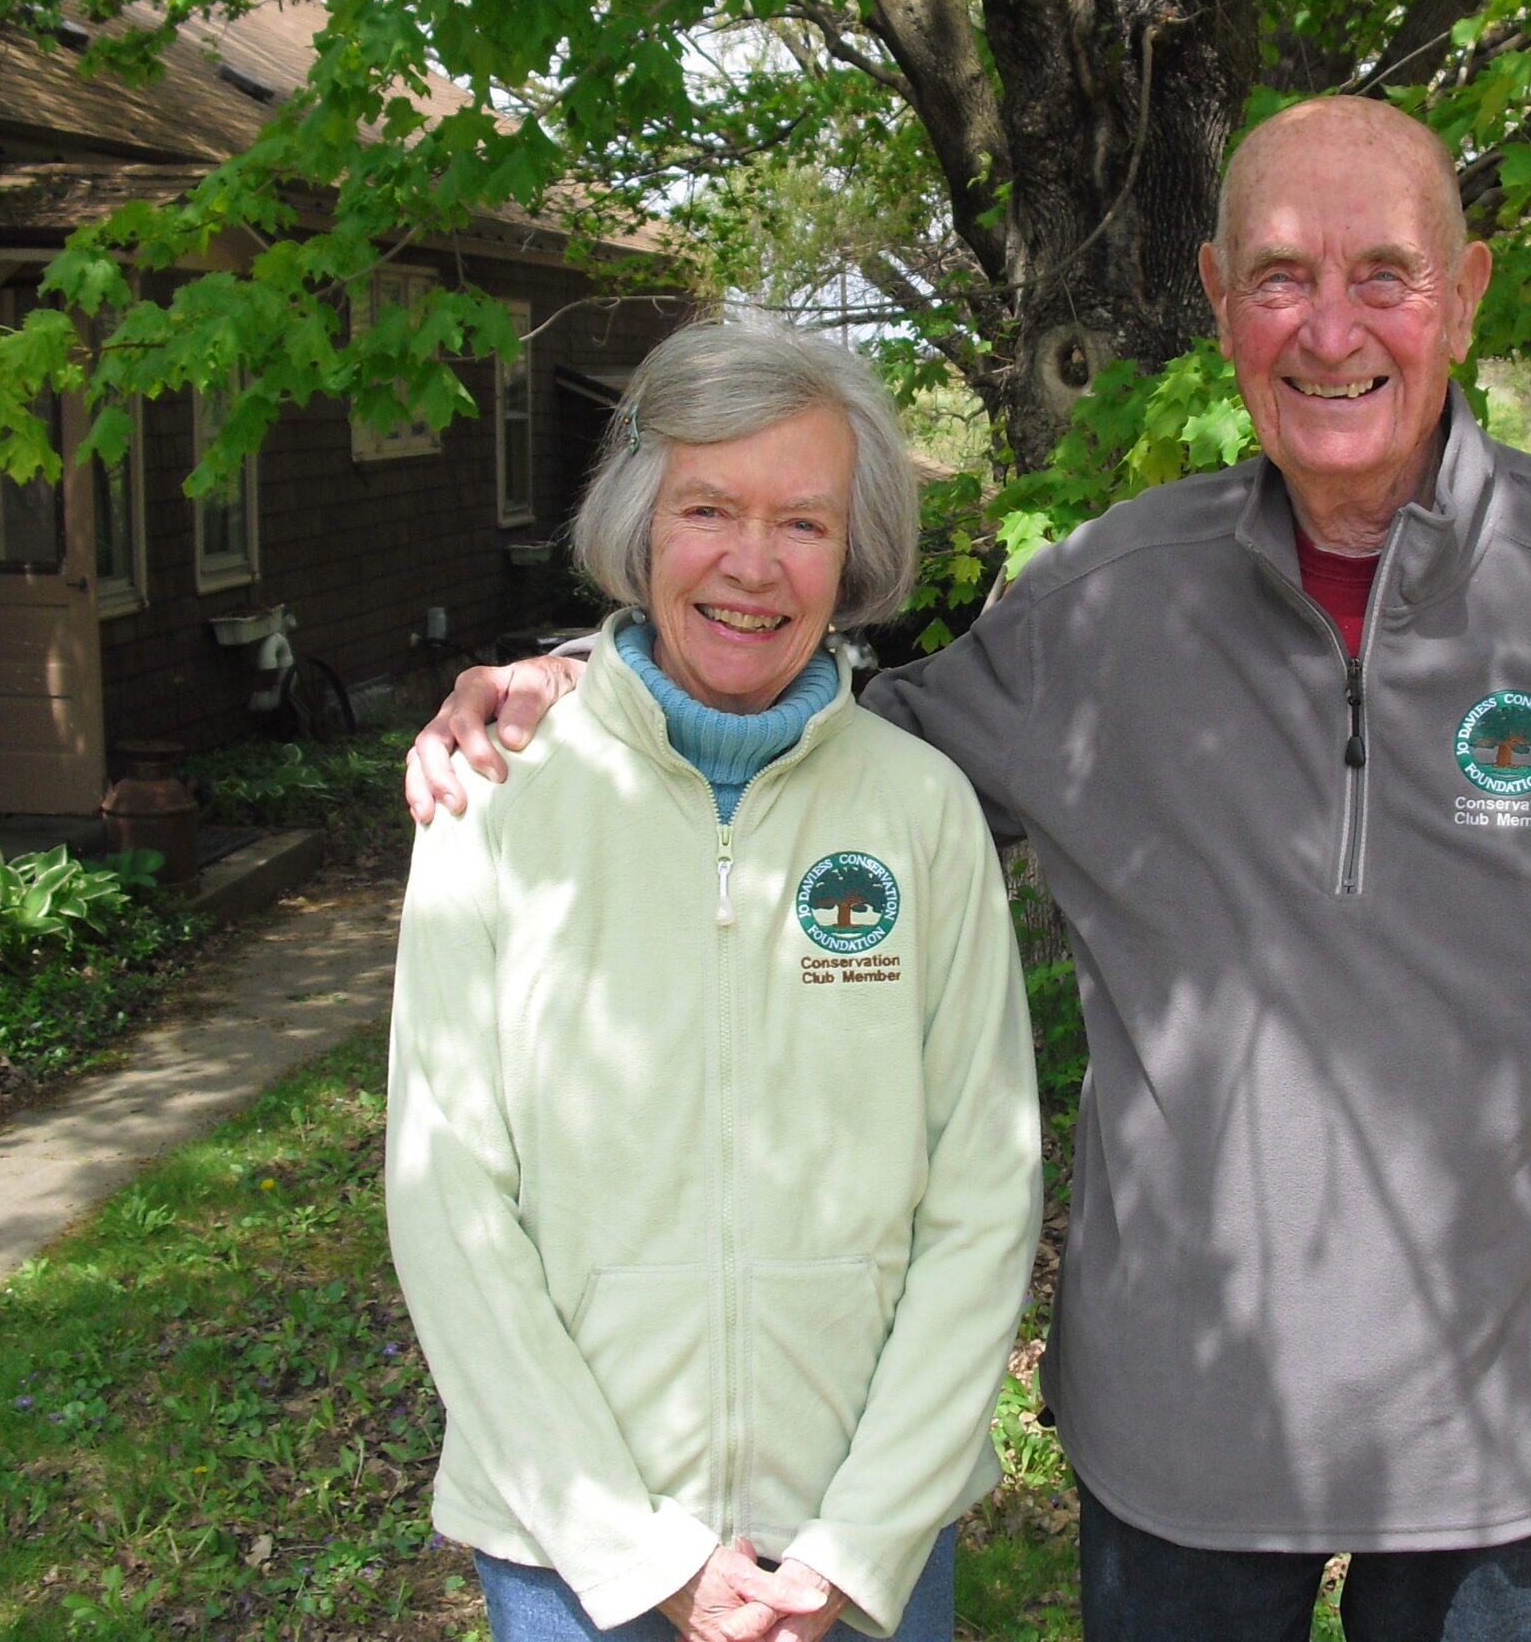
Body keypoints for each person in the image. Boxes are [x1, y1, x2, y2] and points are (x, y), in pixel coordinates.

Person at [407, 97, 1531, 1642]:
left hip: (1507, 1442)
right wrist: (576, 689)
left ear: (1466, 291)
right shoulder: (1113, 601)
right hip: (1183, 1436)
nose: (1329, 328)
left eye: (1383, 274)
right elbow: (835, 750)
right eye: (1279, 275)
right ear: (1215, 299)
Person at [385, 323, 1042, 1642]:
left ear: (851, 552)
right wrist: (633, 1553)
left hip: (855, 1556)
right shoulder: (496, 800)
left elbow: (985, 1189)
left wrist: (860, 1543)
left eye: (803, 521)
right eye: (709, 511)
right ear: (640, 524)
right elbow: (448, 1197)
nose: (754, 564)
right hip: (574, 1556)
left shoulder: (920, 811)